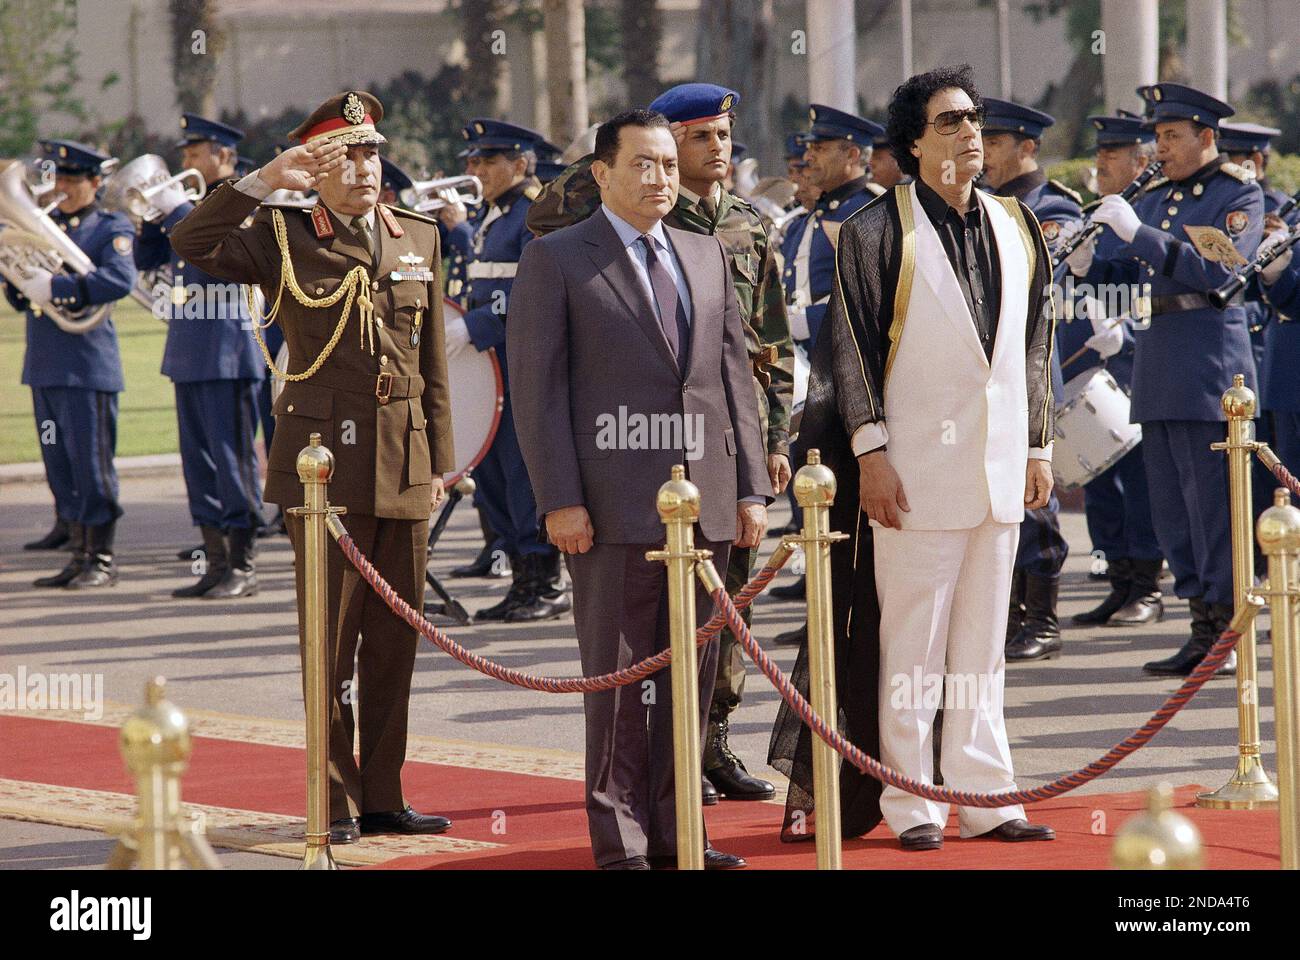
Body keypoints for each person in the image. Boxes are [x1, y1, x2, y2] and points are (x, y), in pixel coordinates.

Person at [771, 63, 1057, 851]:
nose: (970, 133)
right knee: (912, 647)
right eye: (950, 121)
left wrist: (1038, 444)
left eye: (974, 118)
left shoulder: (1018, 225)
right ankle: (913, 802)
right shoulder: (874, 230)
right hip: (912, 473)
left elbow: (1036, 345)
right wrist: (870, 453)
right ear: (913, 144)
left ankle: (986, 795)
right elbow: (851, 353)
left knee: (981, 648)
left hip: (1000, 469)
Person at [170, 91, 456, 842]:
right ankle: (331, 798)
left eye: (371, 153)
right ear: (315, 168)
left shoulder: (417, 236)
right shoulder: (282, 232)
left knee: (394, 642)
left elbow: (432, 363)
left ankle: (384, 795)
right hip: (322, 466)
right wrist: (267, 179)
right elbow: (191, 241)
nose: (363, 167)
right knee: (330, 643)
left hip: (404, 459)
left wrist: (440, 461)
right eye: (344, 156)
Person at [508, 109, 769, 870]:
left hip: (705, 504)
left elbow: (733, 377)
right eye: (644, 164)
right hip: (610, 507)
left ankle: (682, 831)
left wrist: (750, 488)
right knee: (621, 684)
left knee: (693, 678)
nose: (661, 179)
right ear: (602, 174)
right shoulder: (558, 258)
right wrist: (560, 499)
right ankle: (621, 840)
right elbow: (538, 393)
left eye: (668, 165)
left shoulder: (705, 253)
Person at [1066, 82, 1263, 677]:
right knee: (1173, 511)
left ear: (1207, 136)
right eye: (1158, 136)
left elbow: (1219, 272)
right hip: (1158, 365)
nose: (1161, 147)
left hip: (1209, 366)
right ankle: (1200, 626)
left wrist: (1138, 234)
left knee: (1213, 510)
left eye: (1172, 136)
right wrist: (1089, 266)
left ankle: (1227, 630)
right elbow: (1133, 278)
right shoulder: (1153, 196)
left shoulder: (1237, 194)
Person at [136, 113, 267, 599]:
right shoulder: (184, 207)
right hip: (189, 348)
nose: (186, 161)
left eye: (195, 153)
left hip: (227, 349)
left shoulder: (243, 201)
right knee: (198, 462)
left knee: (232, 460)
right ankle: (215, 562)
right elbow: (148, 263)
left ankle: (243, 565)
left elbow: (219, 256)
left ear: (224, 155)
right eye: (186, 154)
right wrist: (150, 224)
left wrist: (176, 212)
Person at [5, 140, 135, 588]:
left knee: (91, 467)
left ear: (95, 183)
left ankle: (100, 558)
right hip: (44, 366)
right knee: (59, 462)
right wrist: (20, 281)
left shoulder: (109, 226)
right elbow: (23, 291)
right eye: (58, 177)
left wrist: (59, 288)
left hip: (86, 368)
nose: (61, 186)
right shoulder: (46, 225)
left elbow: (119, 279)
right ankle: (78, 553)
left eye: (72, 179)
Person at [457, 119, 570, 623]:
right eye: (473, 161)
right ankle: (522, 580)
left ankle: (545, 582)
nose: (476, 170)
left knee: (524, 476)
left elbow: (534, 294)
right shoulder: (495, 215)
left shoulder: (532, 214)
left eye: (487, 161)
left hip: (521, 363)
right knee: (496, 476)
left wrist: (474, 324)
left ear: (521, 163)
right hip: (491, 366)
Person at [980, 98, 1082, 661]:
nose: (984, 153)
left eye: (995, 143)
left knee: (1033, 496)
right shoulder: (980, 204)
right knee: (998, 497)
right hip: (986, 371)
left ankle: (1042, 618)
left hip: (1029, 370)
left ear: (1028, 146)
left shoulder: (1051, 207)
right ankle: (1013, 613)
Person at [1064, 113, 1164, 628]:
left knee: (1139, 484)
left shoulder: (1150, 212)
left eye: (1112, 154)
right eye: (1099, 153)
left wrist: (1127, 335)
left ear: (1141, 162)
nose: (1100, 162)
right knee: (1100, 482)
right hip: (1098, 364)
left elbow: (1158, 284)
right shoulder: (1101, 213)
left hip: (1138, 362)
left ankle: (1147, 587)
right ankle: (1119, 581)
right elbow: (1100, 282)